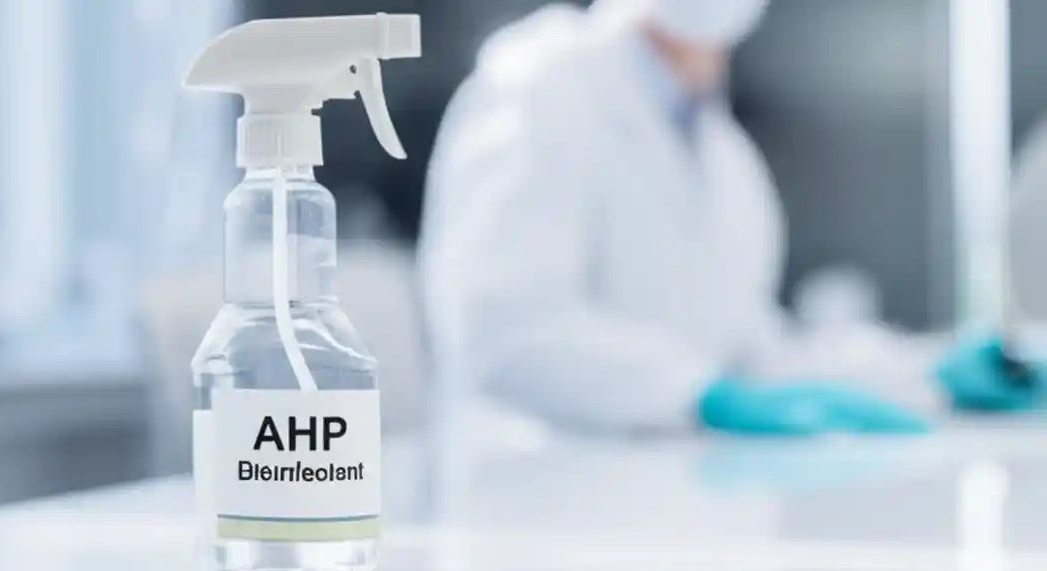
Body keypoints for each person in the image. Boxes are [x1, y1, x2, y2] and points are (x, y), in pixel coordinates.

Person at [419, 0, 1044, 435]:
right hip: (533, 521)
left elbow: (752, 351)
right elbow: (500, 328)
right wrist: (702, 395)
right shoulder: (540, 85)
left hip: (678, 521)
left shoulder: (722, 150)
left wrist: (931, 372)